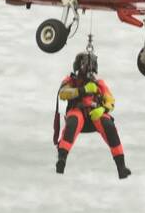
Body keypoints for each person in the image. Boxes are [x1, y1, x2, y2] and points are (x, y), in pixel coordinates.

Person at [56, 50, 131, 179]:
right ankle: (62, 159)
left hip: (96, 114)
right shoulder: (71, 81)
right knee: (72, 122)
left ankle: (121, 167)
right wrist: (82, 90)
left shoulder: (99, 84)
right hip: (77, 111)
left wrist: (103, 109)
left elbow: (110, 100)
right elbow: (63, 93)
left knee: (109, 126)